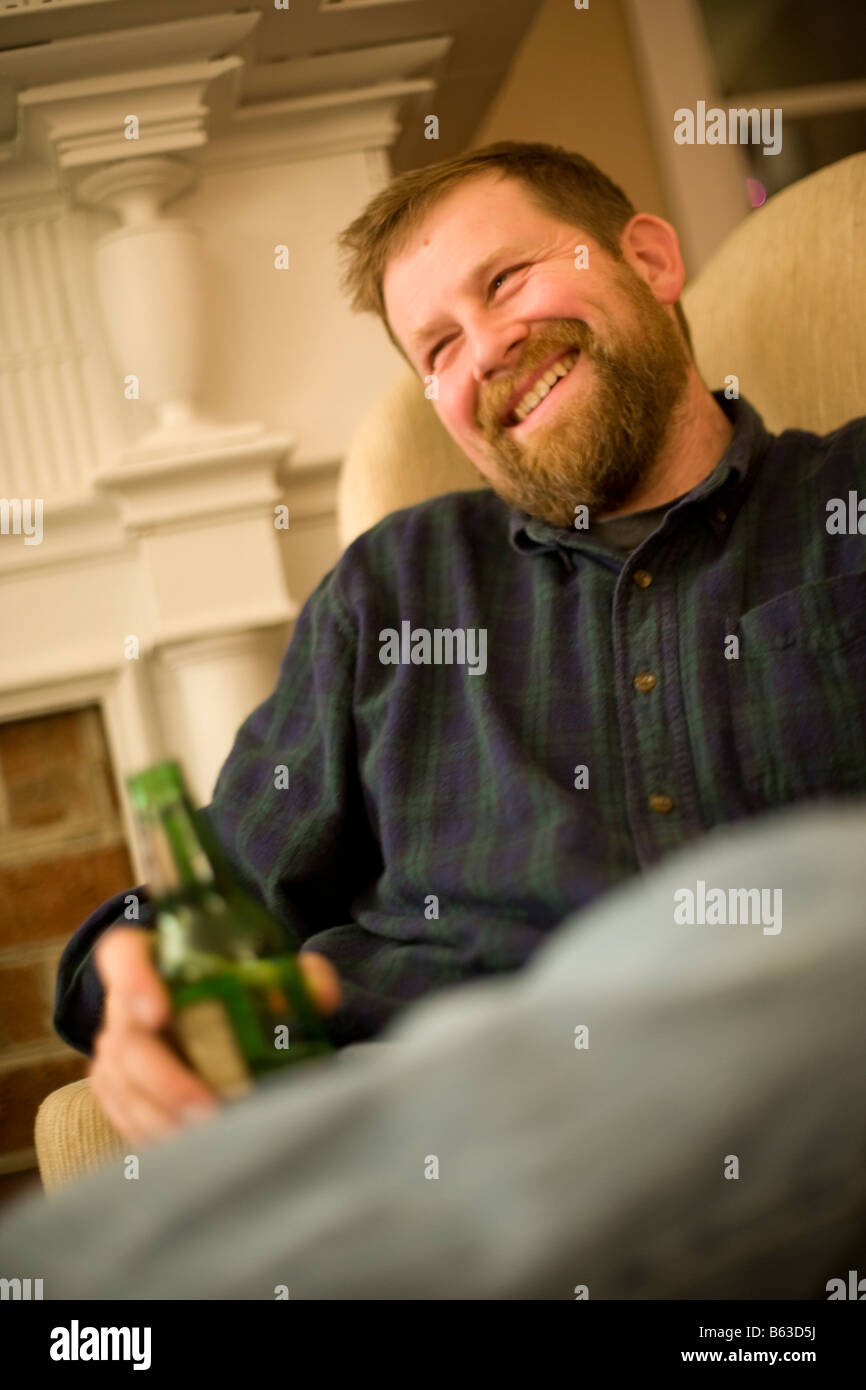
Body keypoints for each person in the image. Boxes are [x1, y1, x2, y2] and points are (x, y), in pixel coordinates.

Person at [50, 141, 866, 1151]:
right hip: (426, 1111)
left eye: (506, 279)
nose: (481, 349)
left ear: (648, 261)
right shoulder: (389, 589)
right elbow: (210, 881)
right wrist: (131, 985)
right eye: (436, 346)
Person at [2, 796, 866, 1298]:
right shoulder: (390, 594)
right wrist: (138, 987)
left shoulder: (829, 508)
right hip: (403, 1090)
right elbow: (183, 897)